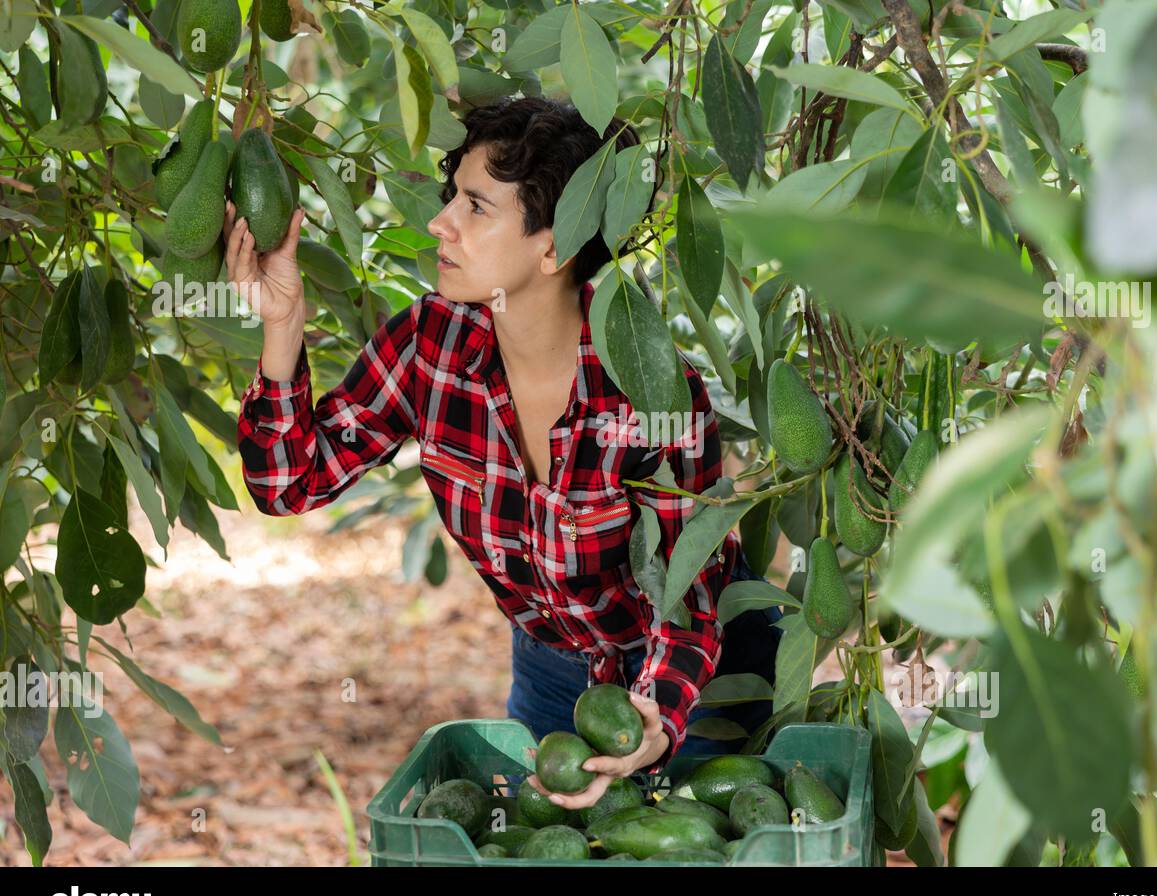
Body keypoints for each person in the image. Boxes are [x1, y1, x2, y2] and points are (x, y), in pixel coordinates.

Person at [233, 95, 785, 813]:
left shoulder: (648, 388)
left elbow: (691, 594)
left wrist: (654, 717)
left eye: (476, 208)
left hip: (705, 679)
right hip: (555, 673)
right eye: (451, 198)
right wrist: (282, 326)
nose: (440, 223)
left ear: (553, 248)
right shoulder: (431, 346)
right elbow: (290, 485)